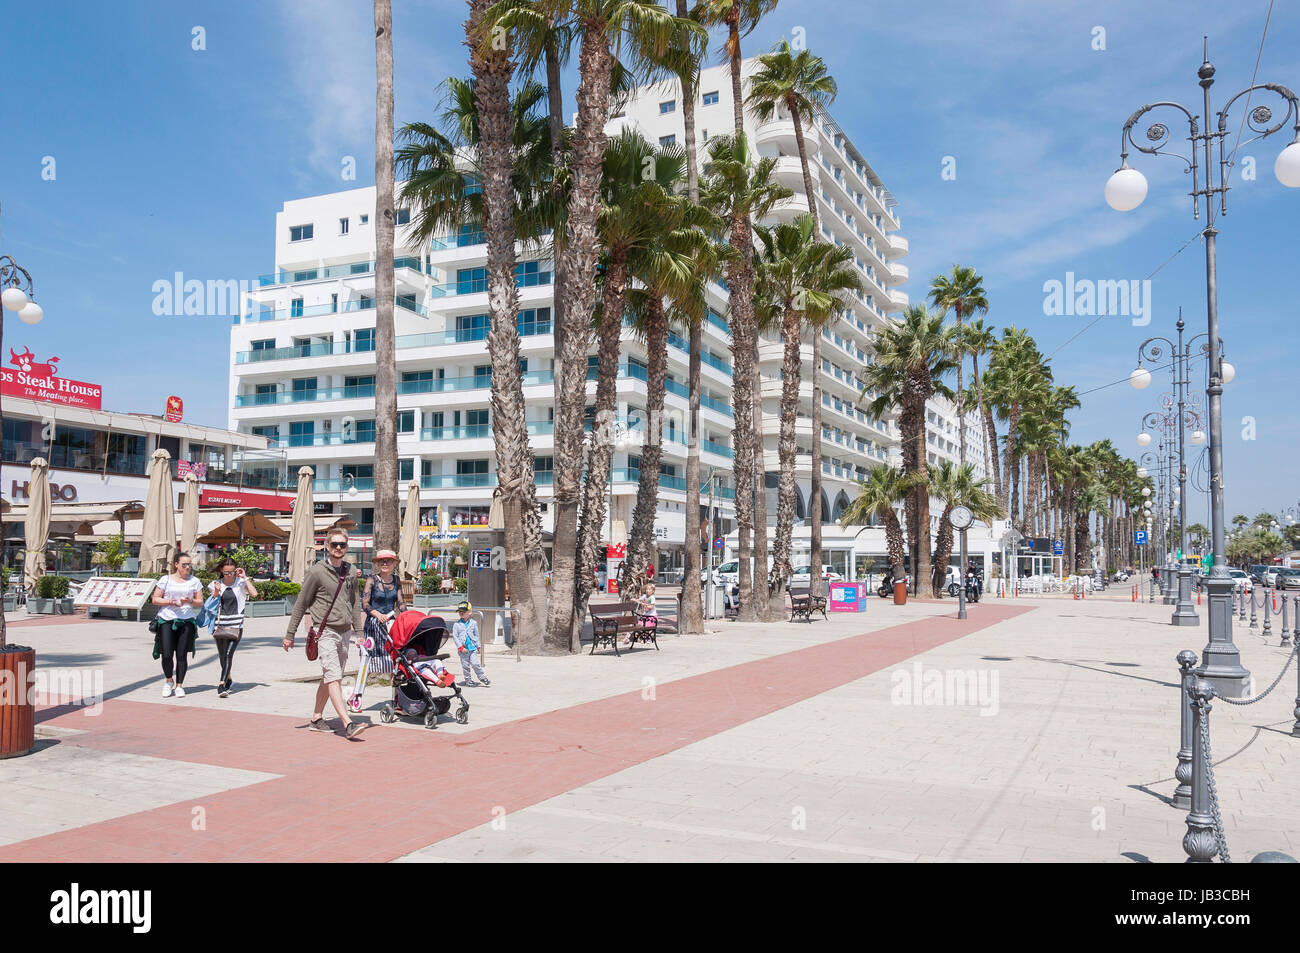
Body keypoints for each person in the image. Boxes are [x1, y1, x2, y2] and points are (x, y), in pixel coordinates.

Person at [283, 528, 369, 739]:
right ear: (327, 547)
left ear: (347, 547)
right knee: (333, 677)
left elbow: (354, 603)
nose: (338, 548)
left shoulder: (350, 570)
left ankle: (316, 718)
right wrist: (290, 634)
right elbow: (301, 604)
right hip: (324, 631)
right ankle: (347, 723)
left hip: (344, 632)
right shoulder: (317, 571)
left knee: (331, 677)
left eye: (342, 545)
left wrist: (359, 632)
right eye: (334, 545)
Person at [151, 551, 204, 698]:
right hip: (167, 620)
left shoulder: (194, 581)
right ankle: (169, 680)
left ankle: (180, 685)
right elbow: (155, 599)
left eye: (189, 565)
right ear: (176, 565)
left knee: (181, 655)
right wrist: (170, 602)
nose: (187, 567)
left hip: (186, 621)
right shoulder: (165, 580)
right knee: (167, 654)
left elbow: (200, 601)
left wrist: (190, 601)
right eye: (184, 564)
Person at [209, 556, 258, 698]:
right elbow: (211, 604)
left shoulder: (241, 583)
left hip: (236, 624)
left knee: (229, 654)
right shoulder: (216, 583)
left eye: (232, 572)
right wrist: (216, 591)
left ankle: (221, 684)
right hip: (220, 624)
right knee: (222, 655)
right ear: (221, 571)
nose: (229, 575)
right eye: (226, 572)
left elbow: (254, 593)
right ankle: (229, 678)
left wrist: (245, 577)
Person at [362, 549, 406, 646]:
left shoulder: (396, 579)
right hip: (373, 623)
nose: (385, 563)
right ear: (377, 564)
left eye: (388, 561)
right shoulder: (371, 579)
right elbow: (365, 604)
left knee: (391, 654)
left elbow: (401, 602)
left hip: (390, 623)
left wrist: (407, 615)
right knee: (374, 656)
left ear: (394, 564)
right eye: (382, 561)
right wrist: (377, 614)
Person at [451, 602, 490, 687]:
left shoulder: (473, 623)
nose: (461, 613)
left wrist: (478, 646)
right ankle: (468, 680)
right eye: (459, 611)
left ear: (469, 612)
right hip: (463, 650)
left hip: (473, 648)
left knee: (475, 663)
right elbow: (455, 637)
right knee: (465, 666)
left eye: (464, 611)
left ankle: (482, 677)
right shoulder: (456, 624)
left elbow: (476, 635)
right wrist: (460, 647)